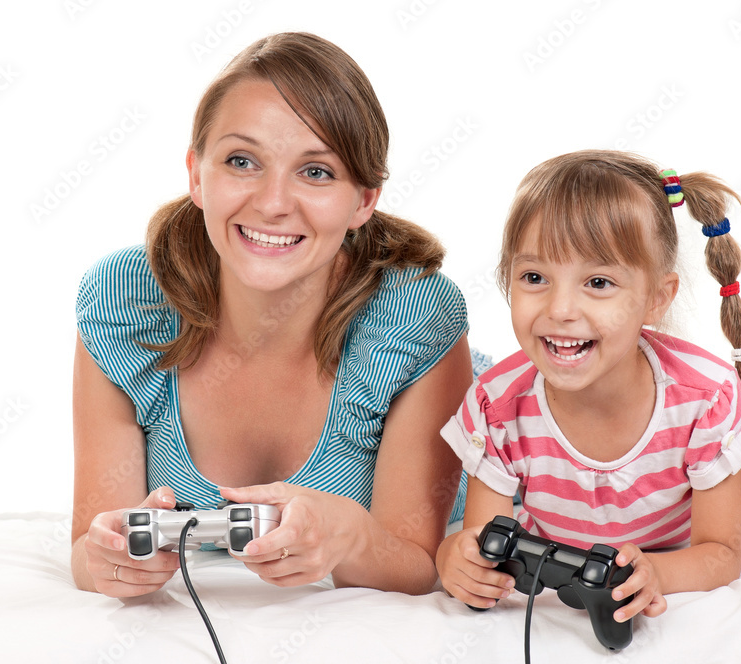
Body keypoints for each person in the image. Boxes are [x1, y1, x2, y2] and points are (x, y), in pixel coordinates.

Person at [71, 32, 475, 598]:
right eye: (242, 161)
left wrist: (351, 539)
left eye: (316, 172)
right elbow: (88, 551)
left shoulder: (418, 319)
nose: (272, 202)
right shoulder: (124, 302)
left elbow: (413, 565)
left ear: (364, 199)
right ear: (195, 175)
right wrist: (115, 563)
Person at [435, 150, 741, 623]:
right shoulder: (496, 408)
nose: (561, 308)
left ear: (656, 299)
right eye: (535, 277)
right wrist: (456, 561)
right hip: (711, 436)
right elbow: (488, 543)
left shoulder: (704, 402)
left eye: (597, 281)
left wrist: (657, 570)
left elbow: (719, 553)